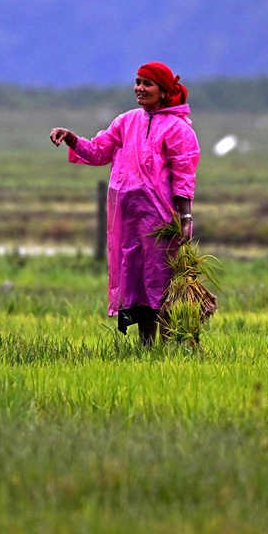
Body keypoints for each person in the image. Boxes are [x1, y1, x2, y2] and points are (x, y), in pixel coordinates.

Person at [49, 62, 200, 346]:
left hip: (161, 220)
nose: (139, 88)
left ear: (164, 91)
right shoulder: (126, 121)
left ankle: (170, 348)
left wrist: (186, 219)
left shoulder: (178, 130)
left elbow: (184, 176)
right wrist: (71, 138)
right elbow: (97, 151)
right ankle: (146, 347)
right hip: (128, 220)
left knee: (163, 282)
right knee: (137, 281)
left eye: (147, 84)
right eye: (137, 82)